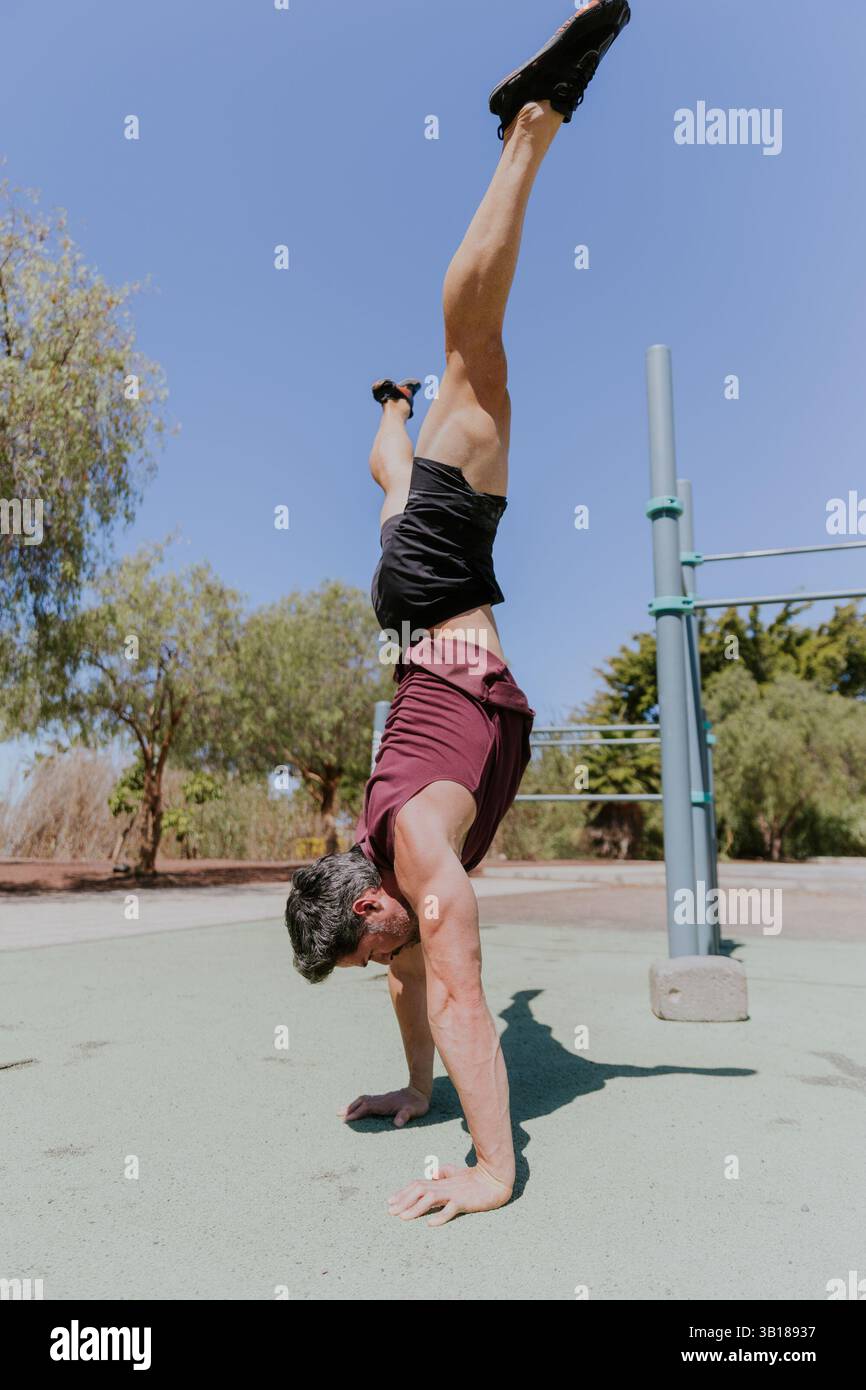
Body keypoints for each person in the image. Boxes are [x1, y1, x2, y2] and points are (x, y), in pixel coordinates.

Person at [285, 1, 631, 1226]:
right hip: (407, 604)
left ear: (368, 904)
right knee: (391, 471)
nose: (382, 964)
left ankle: (529, 121)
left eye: (369, 946)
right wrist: (415, 1090)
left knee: (473, 347)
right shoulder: (379, 868)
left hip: (432, 604)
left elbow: (456, 989)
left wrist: (490, 1166)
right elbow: (408, 983)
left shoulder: (417, 856)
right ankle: (389, 397)